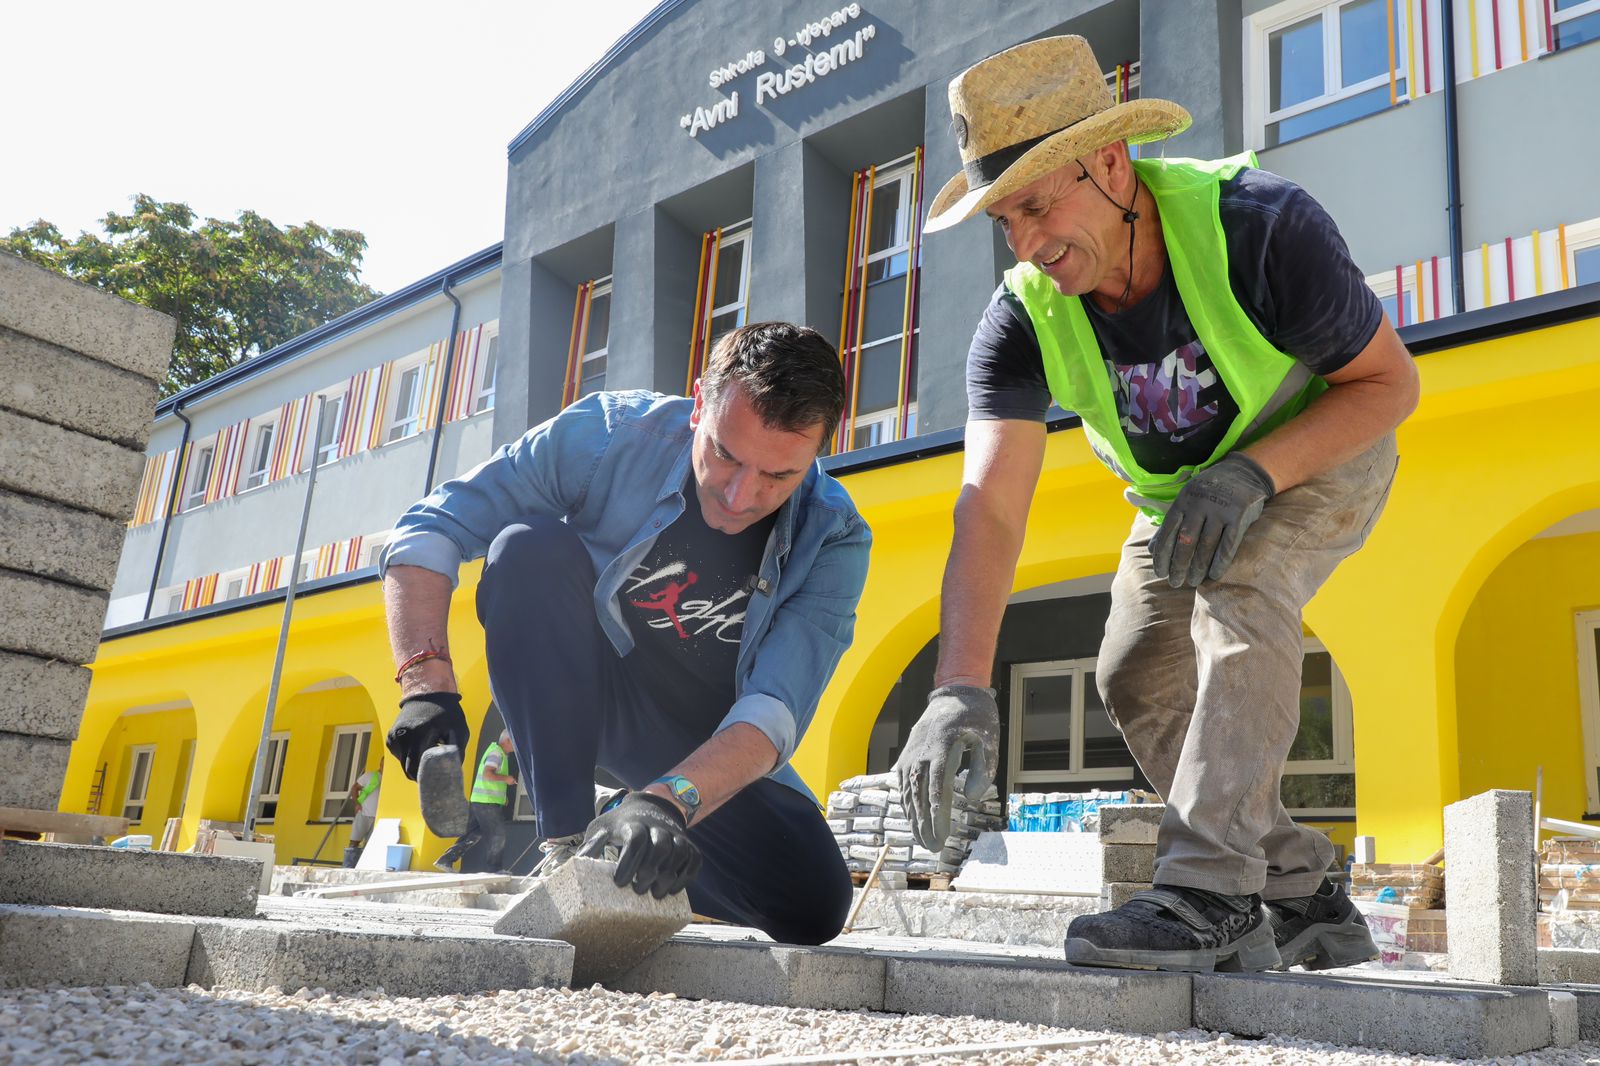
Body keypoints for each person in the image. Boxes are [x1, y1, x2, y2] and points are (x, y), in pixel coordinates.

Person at [895, 35, 1419, 973]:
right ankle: (1301, 890)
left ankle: (1211, 894)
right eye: (1002, 220)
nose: (1025, 244)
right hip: (1179, 497)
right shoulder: (1021, 317)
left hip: (1318, 452)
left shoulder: (1259, 226)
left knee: (1243, 592)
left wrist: (1255, 474)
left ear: (1108, 161)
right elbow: (990, 506)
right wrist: (957, 687)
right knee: (1136, 674)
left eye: (1037, 206)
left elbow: (1388, 386)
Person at [382, 321, 870, 945]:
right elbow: (431, 530)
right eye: (725, 453)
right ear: (699, 405)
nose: (742, 495)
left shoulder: (835, 537)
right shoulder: (608, 436)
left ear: (819, 450)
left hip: (706, 744)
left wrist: (670, 802)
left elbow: (774, 712)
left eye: (779, 477)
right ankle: (566, 844)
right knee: (527, 549)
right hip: (589, 694)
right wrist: (426, 684)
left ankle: (625, 837)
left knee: (812, 905)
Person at [434, 731, 517, 873]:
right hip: (487, 803)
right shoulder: (496, 753)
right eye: (514, 743)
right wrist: (506, 779)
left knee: (472, 834)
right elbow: (487, 774)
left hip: (481, 801)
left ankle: (446, 860)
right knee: (497, 834)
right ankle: (494, 869)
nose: (516, 747)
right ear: (507, 740)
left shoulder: (497, 752)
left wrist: (503, 797)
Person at [346, 757, 383, 850]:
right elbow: (354, 788)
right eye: (383, 764)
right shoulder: (370, 776)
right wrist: (357, 803)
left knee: (370, 846)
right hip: (364, 813)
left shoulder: (389, 779)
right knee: (354, 842)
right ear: (381, 764)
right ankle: (349, 863)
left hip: (378, 818)